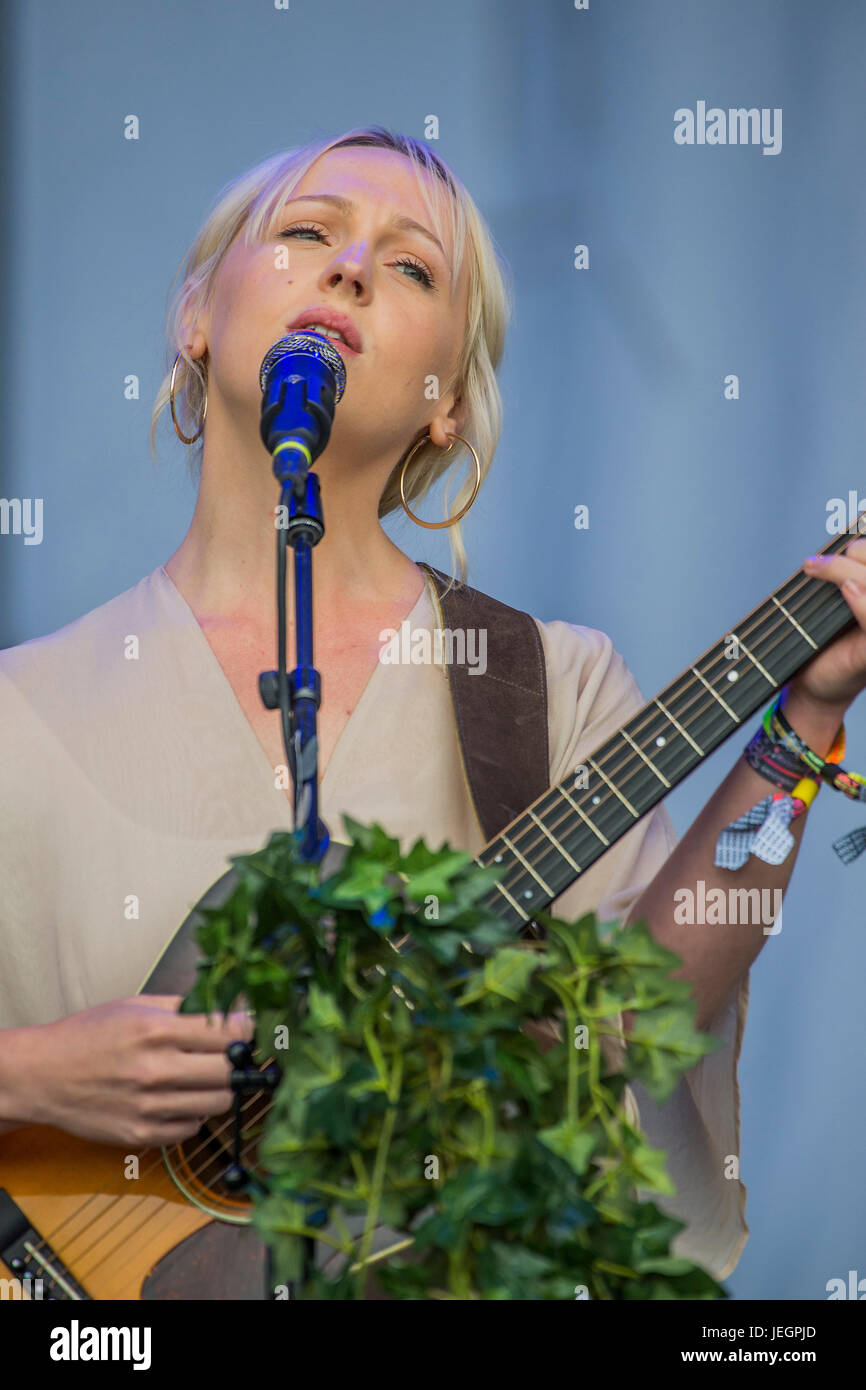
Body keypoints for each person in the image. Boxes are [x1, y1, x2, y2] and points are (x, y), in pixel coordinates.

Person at [1, 125, 865, 1295]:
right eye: (307, 233)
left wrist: (798, 727)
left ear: (443, 403)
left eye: (411, 267)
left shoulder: (543, 682)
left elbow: (635, 1025)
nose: (350, 267)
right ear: (195, 316)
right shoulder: (17, 711)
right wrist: (24, 1076)